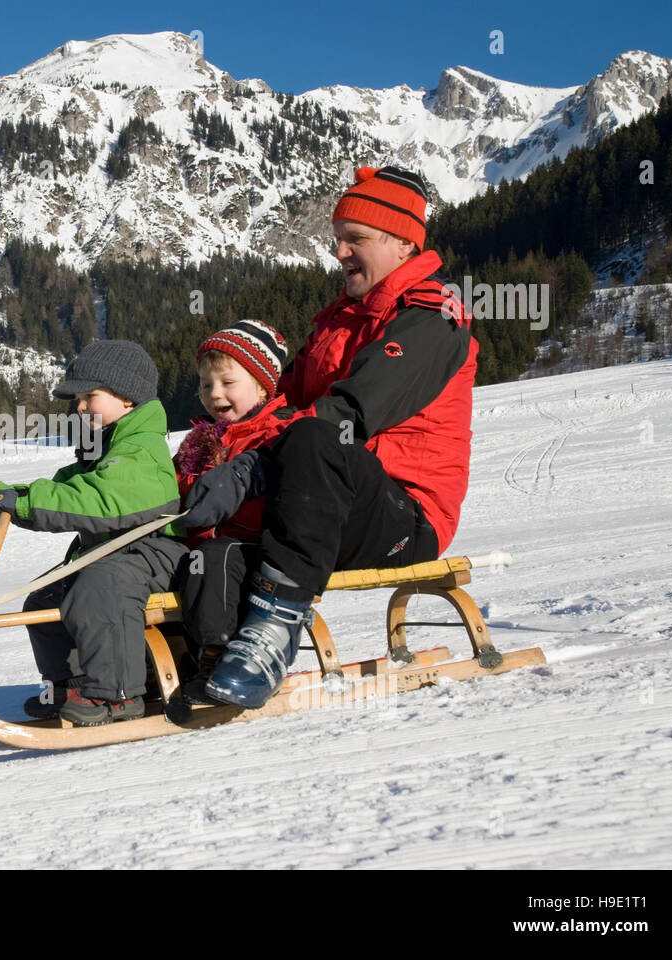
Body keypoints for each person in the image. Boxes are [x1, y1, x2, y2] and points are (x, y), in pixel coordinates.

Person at [179, 166, 477, 710]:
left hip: (403, 514)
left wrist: (256, 466)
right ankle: (186, 656)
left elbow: (351, 414)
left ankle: (273, 632)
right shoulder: (338, 319)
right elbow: (280, 402)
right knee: (214, 535)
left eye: (355, 239)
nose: (339, 252)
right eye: (337, 238)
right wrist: (224, 455)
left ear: (404, 241)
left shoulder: (432, 317)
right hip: (321, 505)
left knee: (317, 437)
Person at [0, 340, 185, 726]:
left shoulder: (141, 450)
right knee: (46, 598)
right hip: (118, 553)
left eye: (90, 396)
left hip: (152, 553)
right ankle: (68, 685)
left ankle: (116, 695)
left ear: (128, 399)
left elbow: (96, 500)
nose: (81, 407)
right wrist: (16, 496)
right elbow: (67, 484)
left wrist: (24, 505)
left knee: (100, 589)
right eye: (79, 399)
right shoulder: (107, 447)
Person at [170, 321, 290, 703]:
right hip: (207, 544)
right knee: (173, 560)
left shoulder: (275, 433)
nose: (214, 394)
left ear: (261, 385)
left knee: (213, 558)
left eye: (227, 382)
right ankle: (155, 668)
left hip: (254, 546)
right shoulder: (199, 442)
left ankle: (218, 658)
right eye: (206, 385)